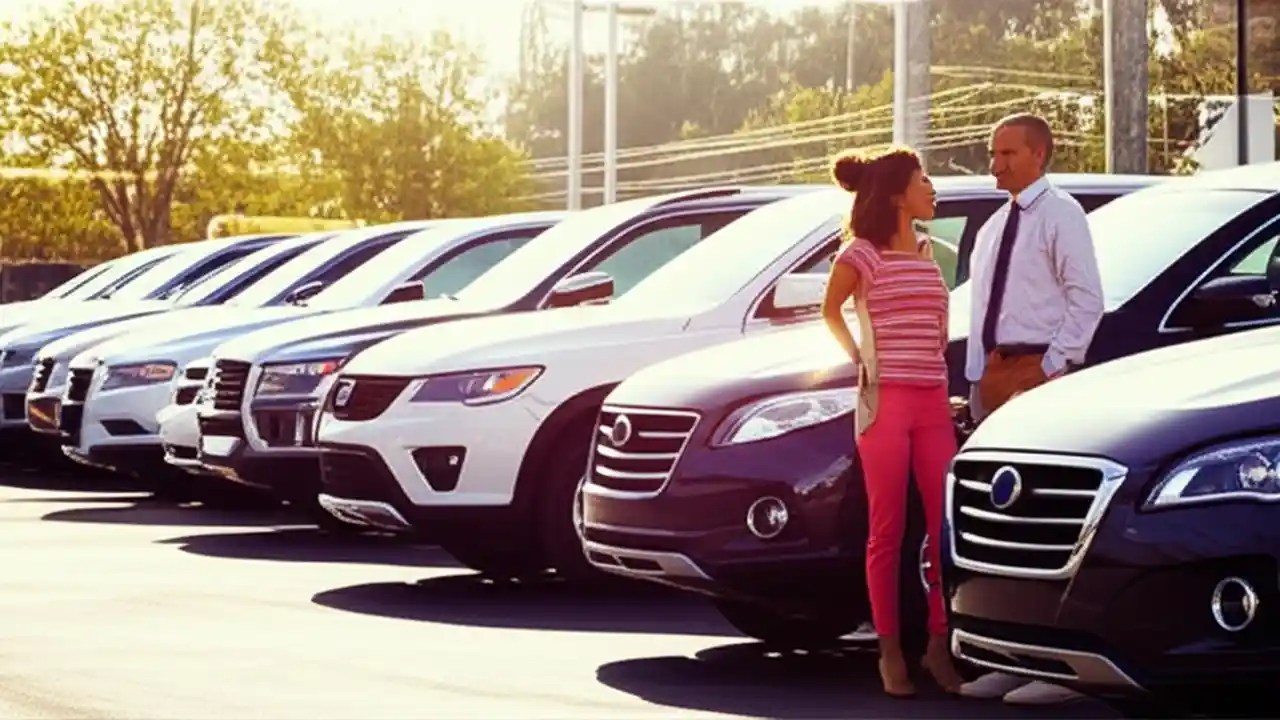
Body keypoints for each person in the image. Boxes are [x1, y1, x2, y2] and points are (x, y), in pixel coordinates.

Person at [957, 113, 1104, 706]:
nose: (995, 164)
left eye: (1008, 153)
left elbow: (1087, 300)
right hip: (995, 377)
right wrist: (978, 382)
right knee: (997, 528)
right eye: (993, 153)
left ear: (1039, 155)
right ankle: (1005, 656)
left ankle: (1055, 668)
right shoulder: (995, 226)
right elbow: (980, 312)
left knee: (1039, 522)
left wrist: (1049, 368)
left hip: (1037, 371)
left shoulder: (1061, 215)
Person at [821, 145, 965, 699]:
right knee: (887, 530)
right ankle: (889, 652)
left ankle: (938, 643)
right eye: (923, 179)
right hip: (885, 404)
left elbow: (936, 326)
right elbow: (830, 311)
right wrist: (858, 358)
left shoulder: (927, 251)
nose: (932, 188)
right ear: (898, 193)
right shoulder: (862, 254)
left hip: (932, 401)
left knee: (943, 528)